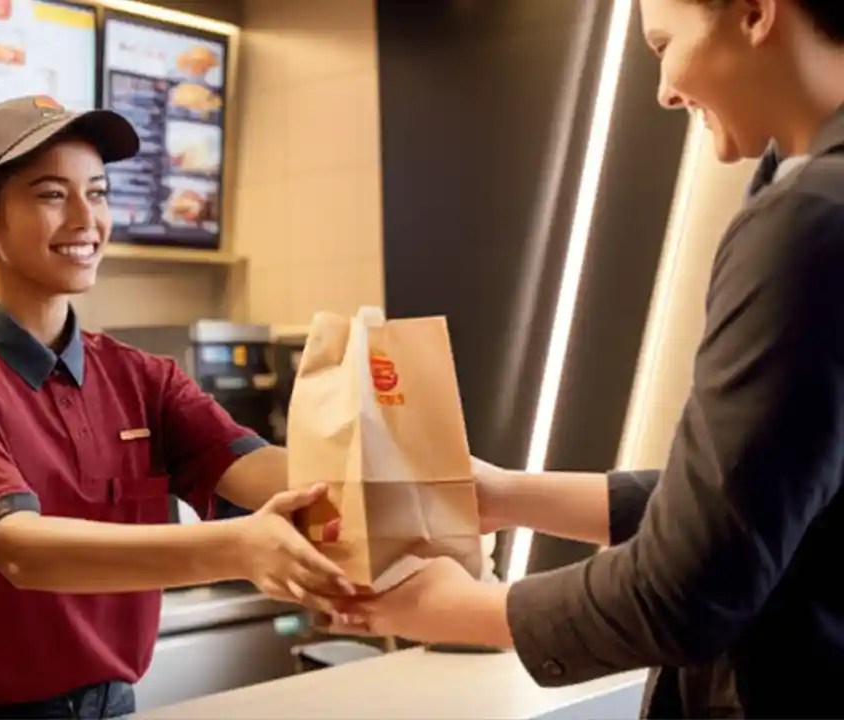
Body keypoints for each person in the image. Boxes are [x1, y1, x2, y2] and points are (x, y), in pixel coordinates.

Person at [328, 0, 844, 716]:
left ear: (756, 13)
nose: (663, 89)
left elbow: (685, 593)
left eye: (664, 44)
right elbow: (771, 491)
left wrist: (442, 607)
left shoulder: (808, 218)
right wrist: (507, 496)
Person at [0, 96, 350, 719]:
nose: (86, 218)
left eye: (97, 192)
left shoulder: (142, 377)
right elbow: (20, 548)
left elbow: (267, 471)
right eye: (52, 195)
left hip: (113, 707)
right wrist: (237, 546)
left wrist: (429, 489)